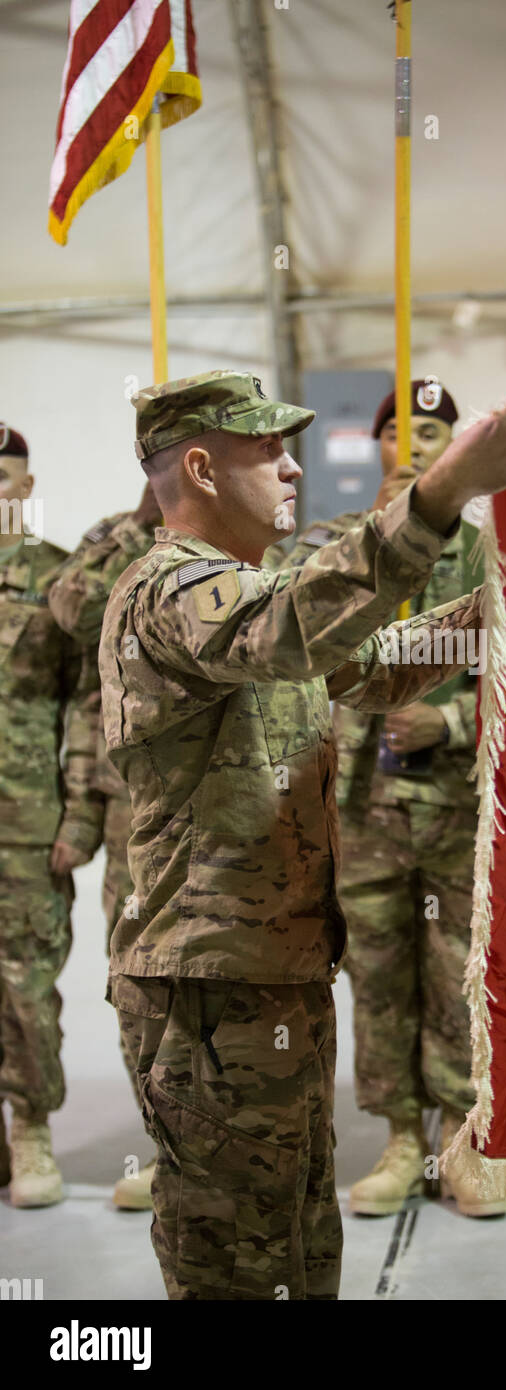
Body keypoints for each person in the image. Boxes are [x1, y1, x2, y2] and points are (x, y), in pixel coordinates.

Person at [97, 369, 506, 1299]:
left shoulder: (248, 596)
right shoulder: (169, 592)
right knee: (236, 1263)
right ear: (204, 470)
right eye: (272, 454)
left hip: (276, 971)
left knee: (295, 1244)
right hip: (208, 988)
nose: (296, 471)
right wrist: (444, 491)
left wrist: (500, 604)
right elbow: (292, 629)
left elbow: (375, 665)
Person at [288, 379, 504, 1219]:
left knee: (458, 975)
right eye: (394, 433)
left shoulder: (487, 555)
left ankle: (463, 1141)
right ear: (373, 448)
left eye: (432, 433)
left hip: (455, 808)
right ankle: (400, 1138)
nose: (409, 446)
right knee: (375, 974)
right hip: (364, 807)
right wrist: (379, 540)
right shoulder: (328, 547)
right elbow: (293, 659)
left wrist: (449, 720)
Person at [49, 482, 163, 1209]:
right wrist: (140, 526)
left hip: (230, 800)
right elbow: (73, 611)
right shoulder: (113, 534)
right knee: (138, 982)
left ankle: (241, 1149)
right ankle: (170, 1148)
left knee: (229, 978)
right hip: (133, 806)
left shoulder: (250, 530)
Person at [0, 425, 94, 1207]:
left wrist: (82, 816)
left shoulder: (57, 581)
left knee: (26, 984)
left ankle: (30, 1131)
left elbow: (91, 707)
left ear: (24, 490)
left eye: (2, 479)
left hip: (25, 822)